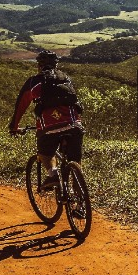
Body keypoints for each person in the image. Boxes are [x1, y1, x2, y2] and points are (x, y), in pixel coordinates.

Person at [9, 50, 84, 191]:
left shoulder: (33, 82)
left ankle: (53, 175)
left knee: (45, 153)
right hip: (74, 125)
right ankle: (80, 204)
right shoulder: (66, 78)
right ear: (56, 65)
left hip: (49, 128)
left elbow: (20, 106)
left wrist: (14, 126)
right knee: (75, 162)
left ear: (39, 65)